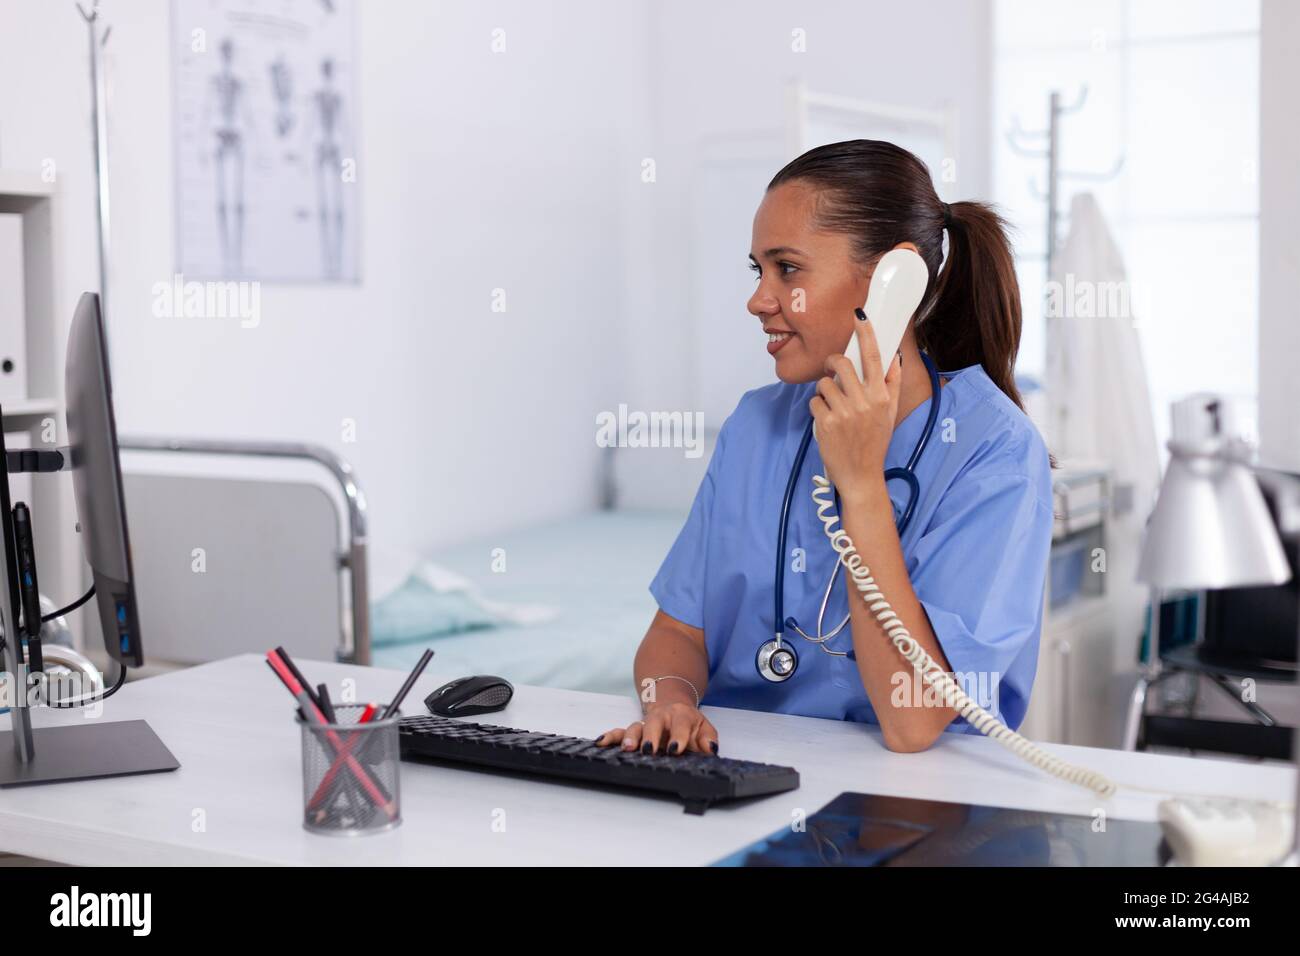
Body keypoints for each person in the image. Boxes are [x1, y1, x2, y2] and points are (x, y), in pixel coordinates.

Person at [595, 140, 1053, 757]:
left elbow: (911, 722)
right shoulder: (757, 426)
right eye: (759, 270)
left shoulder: (993, 450)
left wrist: (861, 485)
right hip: (741, 781)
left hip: (913, 804)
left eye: (788, 268)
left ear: (895, 278)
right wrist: (671, 701)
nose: (759, 300)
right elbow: (677, 633)